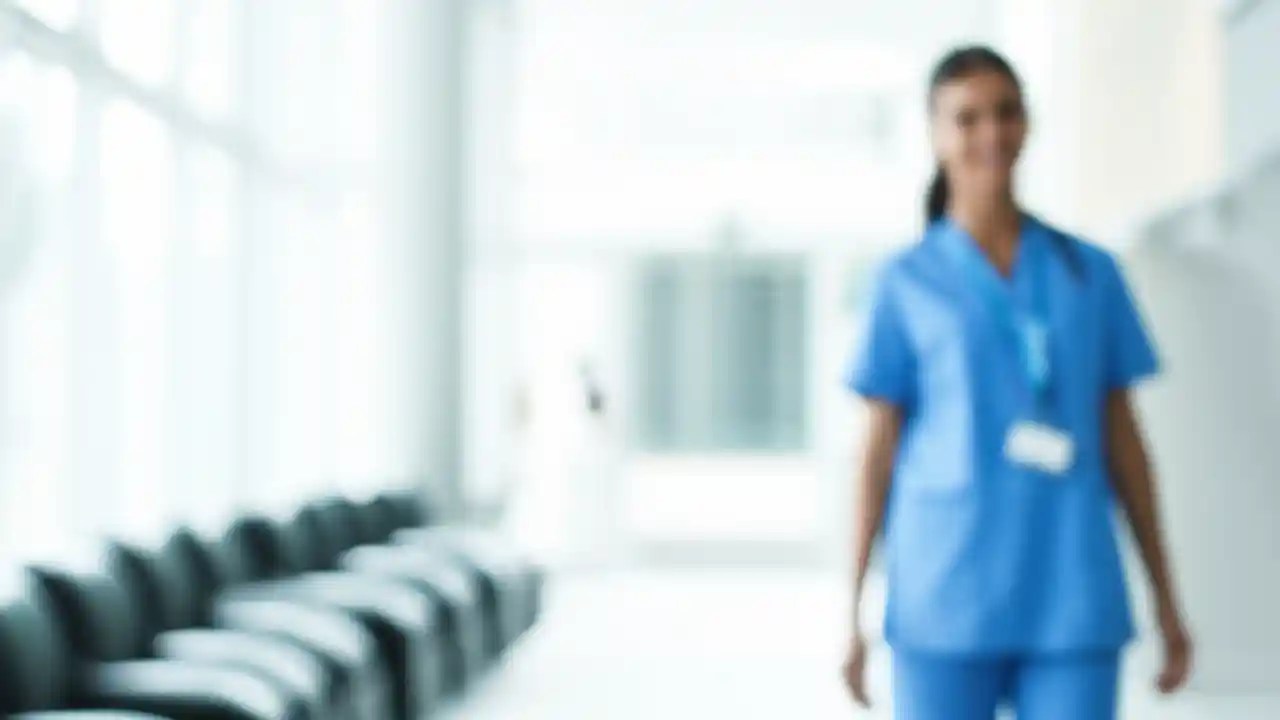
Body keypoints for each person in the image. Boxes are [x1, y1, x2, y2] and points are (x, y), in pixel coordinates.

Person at [840, 46, 1192, 719]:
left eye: (1005, 113)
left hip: (1070, 590)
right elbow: (875, 457)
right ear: (937, 136)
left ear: (1027, 124)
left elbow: (1127, 447)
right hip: (943, 594)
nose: (990, 134)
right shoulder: (905, 282)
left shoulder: (1090, 273)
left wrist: (1167, 602)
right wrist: (852, 609)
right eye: (966, 118)